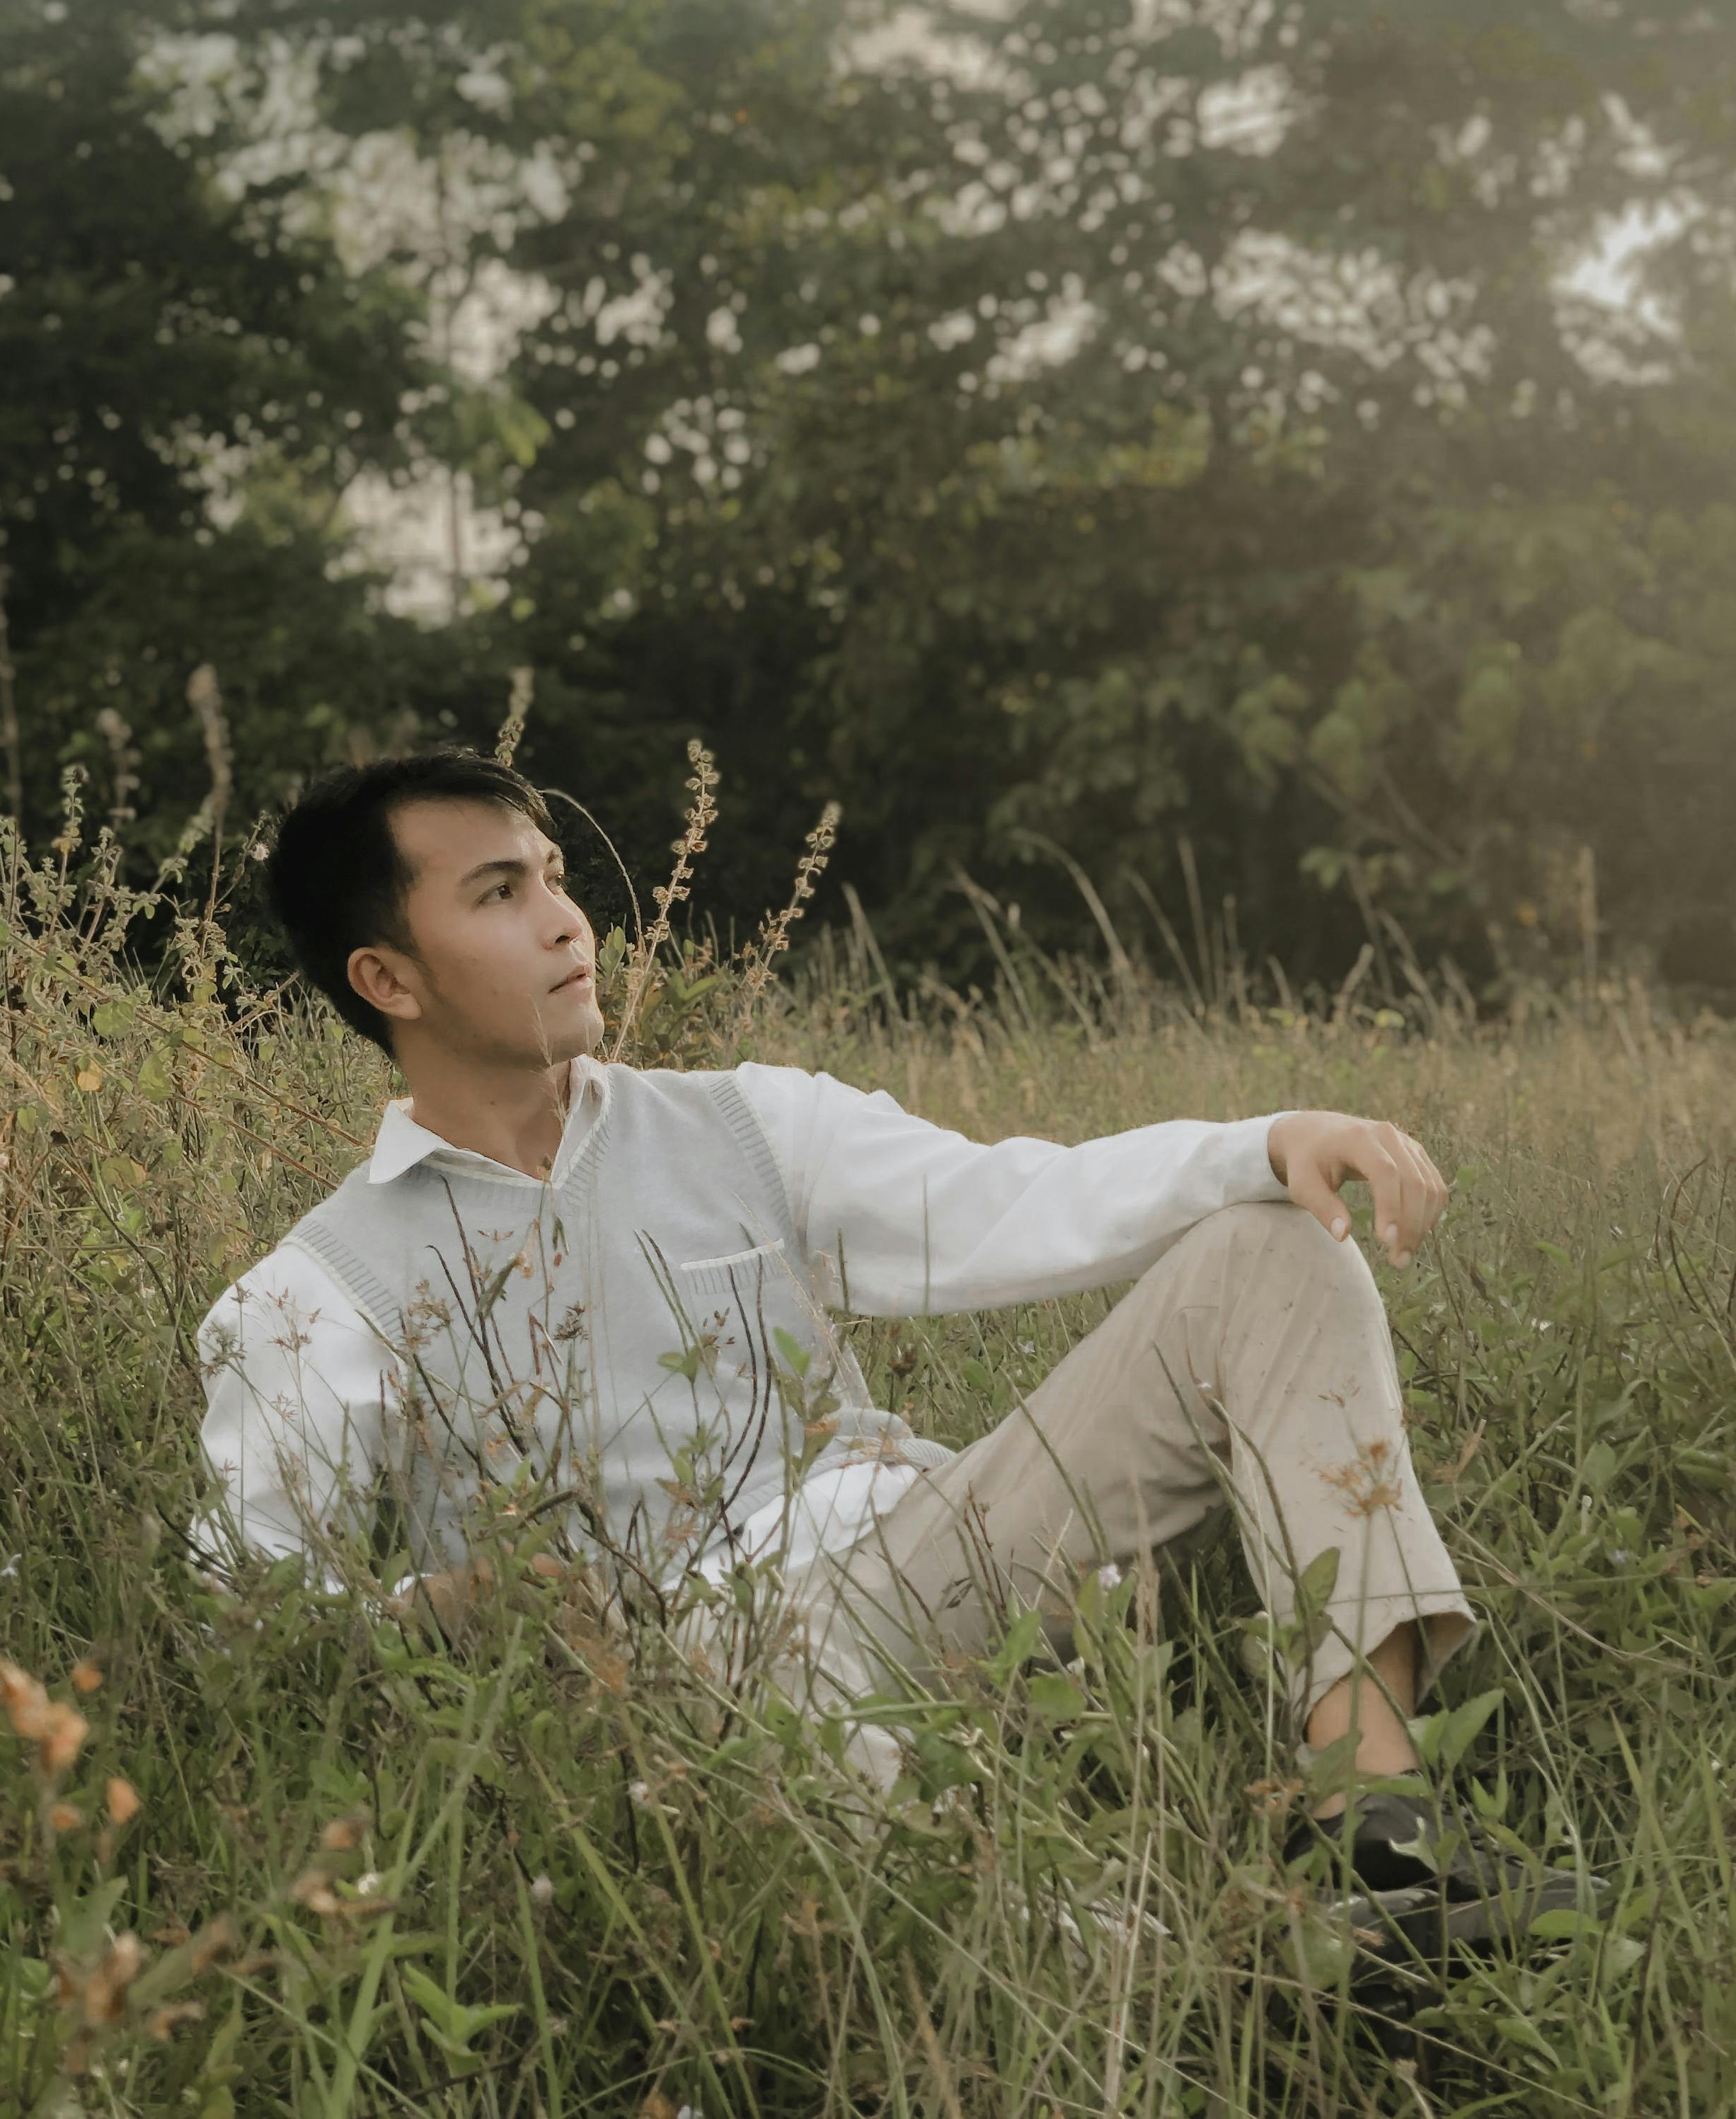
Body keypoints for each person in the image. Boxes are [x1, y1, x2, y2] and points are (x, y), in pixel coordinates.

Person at [196, 746, 1583, 1970]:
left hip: (927, 1557)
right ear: (387, 975)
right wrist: (432, 1606)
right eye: (497, 892)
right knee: (766, 1663)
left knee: (1274, 1243)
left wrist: (1262, 1140)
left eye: (555, 875)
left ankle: (1370, 1825)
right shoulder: (317, 1290)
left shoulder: (746, 1124)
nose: (565, 917)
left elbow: (1014, 1197)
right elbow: (246, 1615)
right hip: (682, 1675)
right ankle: (1205, 1984)